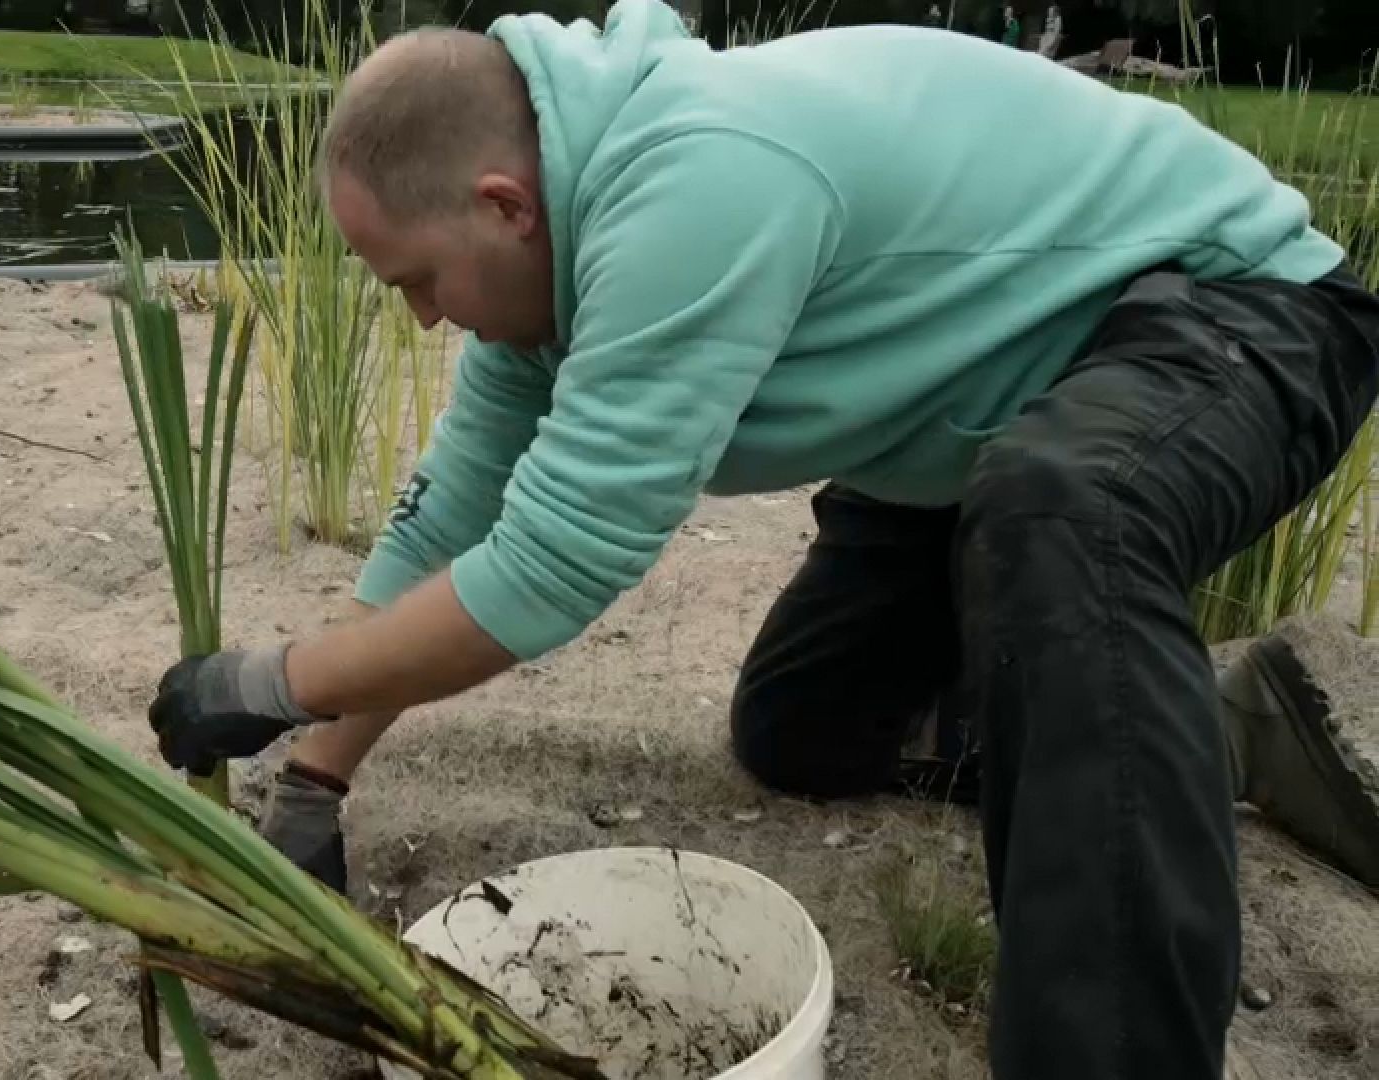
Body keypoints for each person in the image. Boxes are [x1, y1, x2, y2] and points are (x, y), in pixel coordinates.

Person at [145, 2, 1379, 1078]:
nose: (421, 318)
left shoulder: (696, 178)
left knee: (1066, 511)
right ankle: (1213, 726)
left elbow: (550, 570)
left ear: (503, 205)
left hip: (1233, 314)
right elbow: (452, 522)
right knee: (805, 726)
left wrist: (267, 681)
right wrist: (314, 779)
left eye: (414, 279)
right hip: (992, 402)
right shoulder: (541, 280)